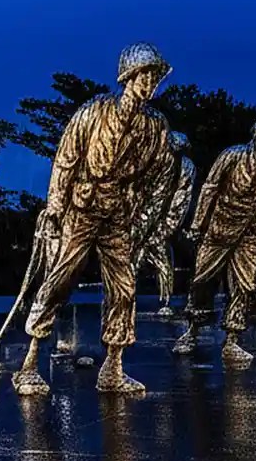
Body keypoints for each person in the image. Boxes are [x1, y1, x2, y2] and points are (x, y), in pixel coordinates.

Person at [11, 42, 173, 396]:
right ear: (129, 76)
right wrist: (54, 210)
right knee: (60, 279)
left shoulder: (155, 127)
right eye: (144, 74)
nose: (150, 81)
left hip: (117, 213)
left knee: (125, 287)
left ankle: (113, 368)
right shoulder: (95, 111)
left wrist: (138, 211)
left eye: (154, 75)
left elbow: (157, 174)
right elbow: (66, 159)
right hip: (81, 208)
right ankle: (29, 363)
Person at [173, 111, 256, 368]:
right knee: (202, 279)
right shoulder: (233, 155)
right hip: (221, 226)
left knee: (244, 285)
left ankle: (232, 338)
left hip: (252, 230)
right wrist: (197, 224)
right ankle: (193, 329)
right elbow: (209, 188)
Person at [131, 130, 196, 317]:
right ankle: (125, 298)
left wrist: (164, 229)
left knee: (164, 261)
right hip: (145, 221)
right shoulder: (152, 162)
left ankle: (166, 300)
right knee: (135, 260)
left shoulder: (186, 168)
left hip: (164, 223)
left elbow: (180, 201)